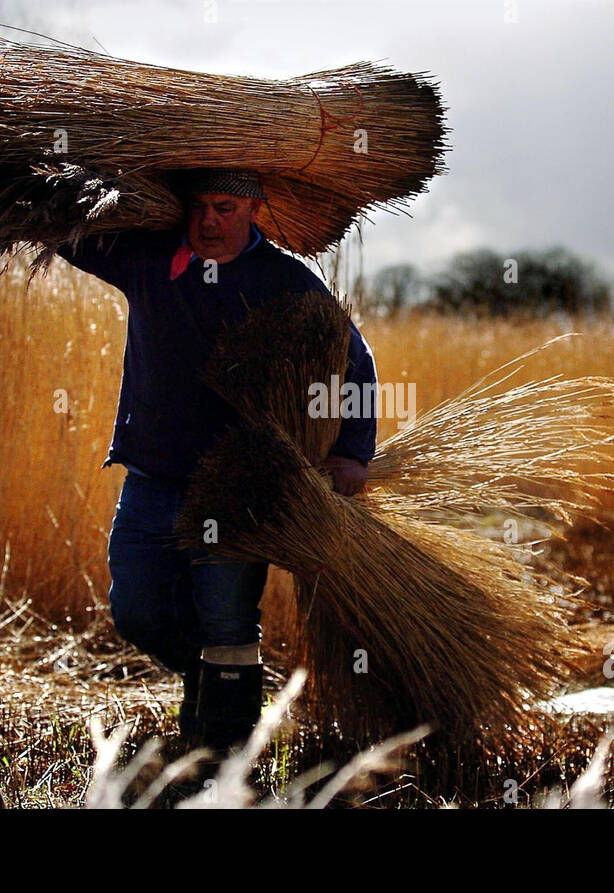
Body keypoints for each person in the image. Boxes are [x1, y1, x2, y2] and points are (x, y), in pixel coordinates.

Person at [56, 168, 378, 756]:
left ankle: (229, 753)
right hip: (150, 476)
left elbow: (355, 363)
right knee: (135, 612)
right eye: (200, 206)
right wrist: (38, 184)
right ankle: (207, 684)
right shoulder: (149, 260)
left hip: (238, 486)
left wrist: (352, 452)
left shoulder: (285, 281)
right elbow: (68, 235)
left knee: (229, 622)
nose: (209, 220)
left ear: (254, 210)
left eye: (225, 208)